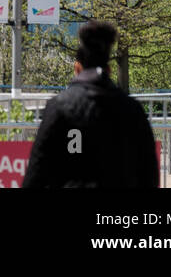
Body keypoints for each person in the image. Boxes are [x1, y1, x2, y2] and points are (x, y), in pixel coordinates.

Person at [21, 20, 159, 188]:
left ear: (77, 68)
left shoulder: (59, 107)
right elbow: (149, 174)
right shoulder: (132, 109)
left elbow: (37, 172)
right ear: (109, 70)